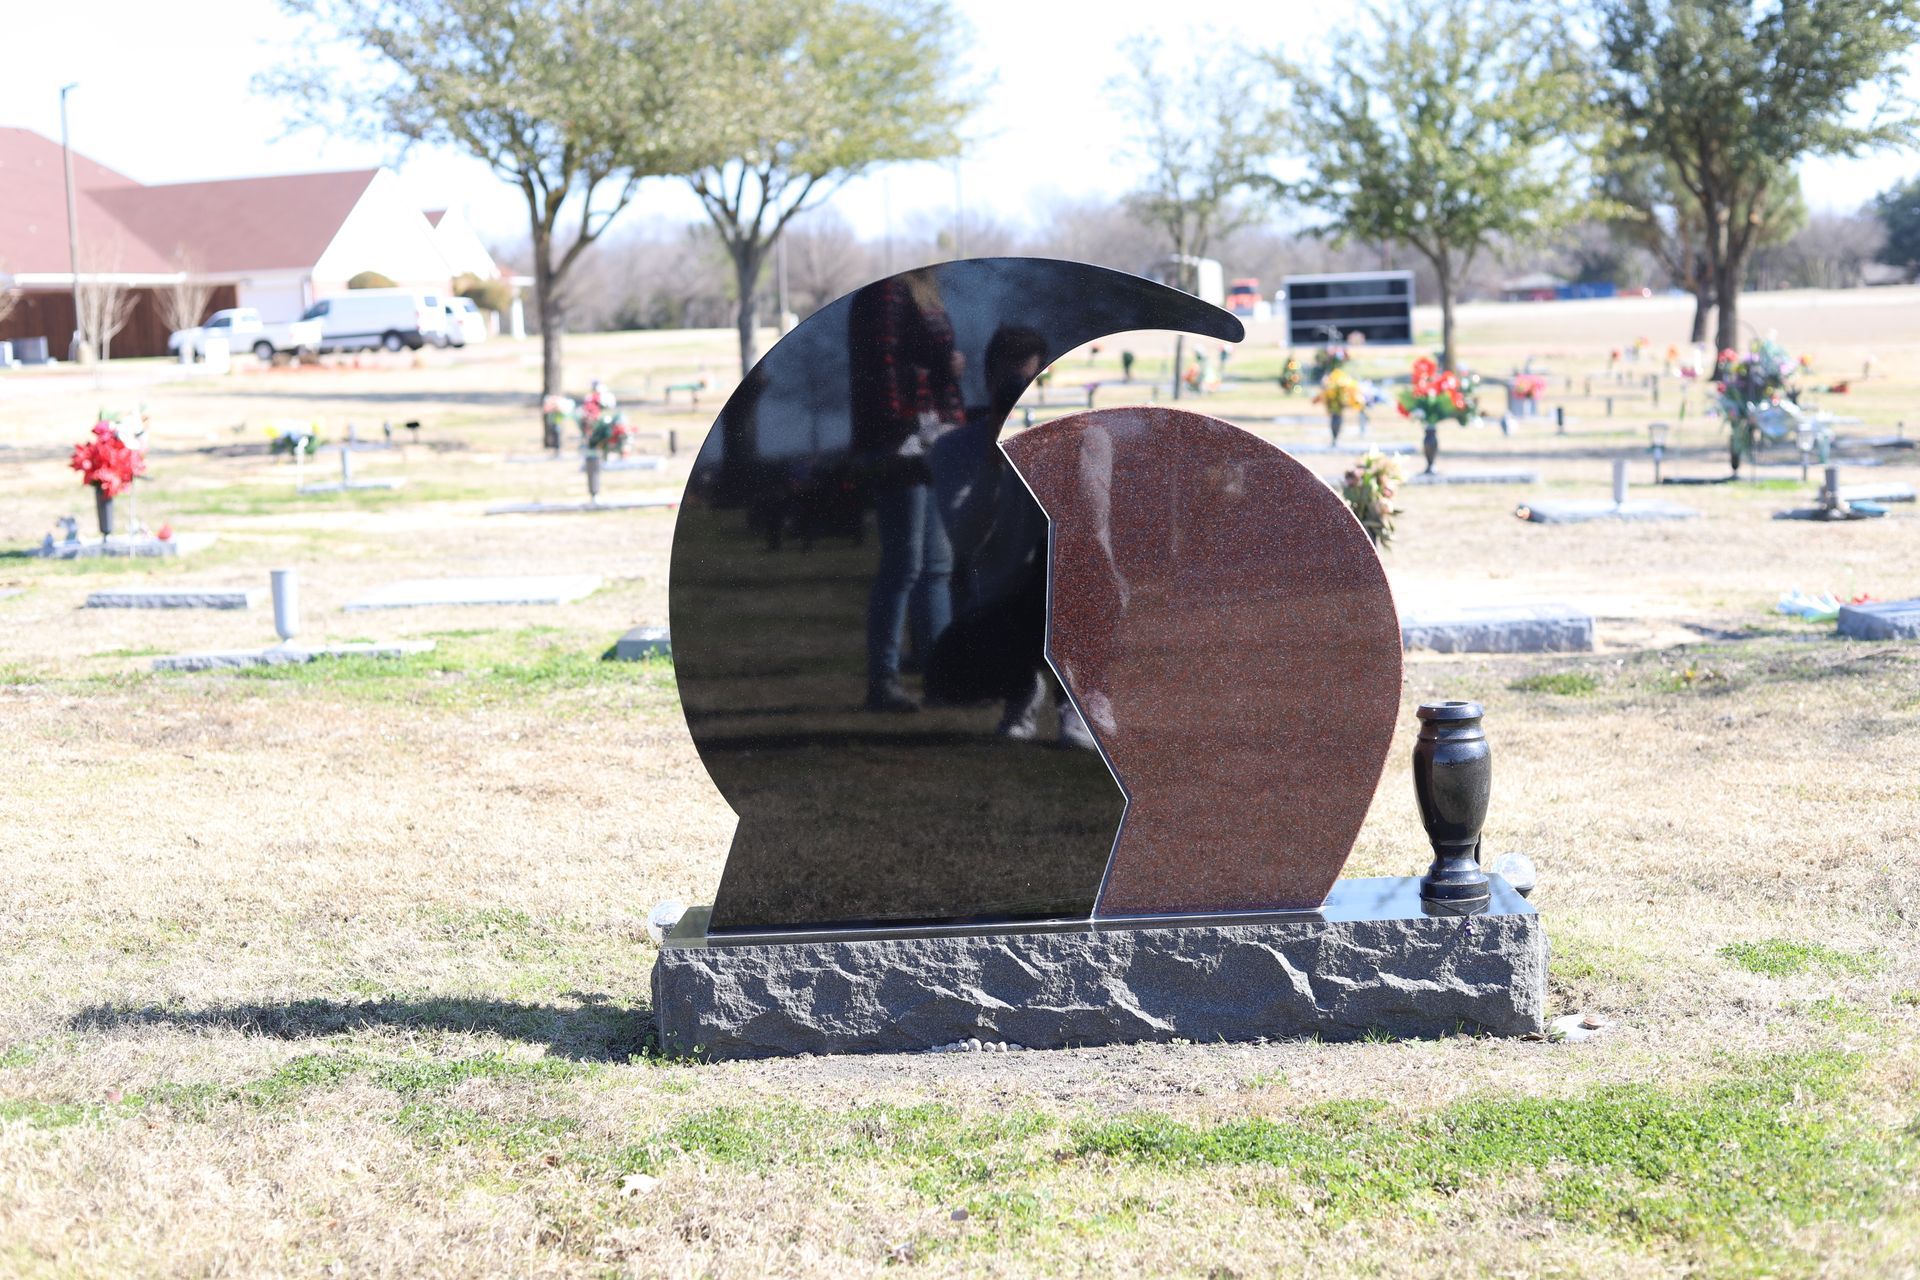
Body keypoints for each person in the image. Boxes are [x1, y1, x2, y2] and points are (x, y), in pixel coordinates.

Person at [847, 272, 961, 712]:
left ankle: (942, 678)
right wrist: (939, 368)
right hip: (900, 439)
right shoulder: (887, 289)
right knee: (904, 564)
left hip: (931, 433)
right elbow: (884, 362)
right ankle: (884, 681)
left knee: (936, 564)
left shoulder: (923, 290)